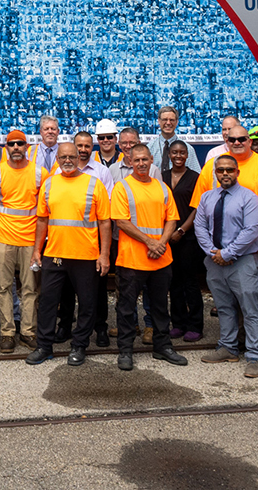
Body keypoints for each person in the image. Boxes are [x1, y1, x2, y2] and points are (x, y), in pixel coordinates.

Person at [25, 142, 111, 366]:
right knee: (47, 302)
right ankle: (44, 346)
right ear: (57, 159)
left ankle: (79, 345)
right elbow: (42, 219)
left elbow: (104, 222)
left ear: (80, 157)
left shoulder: (94, 184)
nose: (67, 161)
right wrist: (37, 251)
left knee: (87, 302)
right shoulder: (49, 183)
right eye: (63, 157)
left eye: (72, 156)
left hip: (85, 255)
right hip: (54, 254)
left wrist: (104, 255)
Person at [108, 145, 186, 370]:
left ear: (151, 160)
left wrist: (160, 243)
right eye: (137, 160)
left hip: (160, 259)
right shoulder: (122, 187)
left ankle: (162, 347)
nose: (141, 163)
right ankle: (125, 350)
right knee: (126, 307)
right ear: (130, 161)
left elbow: (172, 219)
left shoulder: (162, 188)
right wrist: (151, 242)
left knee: (160, 306)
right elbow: (121, 221)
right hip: (132, 260)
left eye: (145, 160)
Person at [195, 152, 258, 377]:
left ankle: (255, 356)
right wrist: (213, 252)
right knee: (224, 307)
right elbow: (200, 226)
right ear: (215, 173)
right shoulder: (207, 197)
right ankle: (228, 347)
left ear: (237, 172)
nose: (225, 173)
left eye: (229, 170)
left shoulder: (249, 197)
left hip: (242, 261)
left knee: (250, 309)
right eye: (220, 170)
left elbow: (251, 230)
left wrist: (228, 253)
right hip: (215, 261)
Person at [0, 129, 43, 352]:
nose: (16, 147)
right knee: (3, 288)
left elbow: (43, 210)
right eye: (12, 144)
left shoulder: (40, 173)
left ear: (27, 147)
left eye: (20, 143)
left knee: (30, 288)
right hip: (3, 238)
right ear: (6, 148)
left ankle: (28, 332)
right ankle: (7, 333)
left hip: (30, 240)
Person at [162, 141, 204, 343]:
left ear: (187, 155)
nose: (178, 156)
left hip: (188, 237)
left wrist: (181, 229)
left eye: (182, 152)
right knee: (173, 282)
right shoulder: (162, 177)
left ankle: (195, 325)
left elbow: (197, 208)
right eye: (174, 152)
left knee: (190, 282)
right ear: (169, 154)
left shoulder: (195, 178)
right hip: (167, 237)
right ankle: (178, 323)